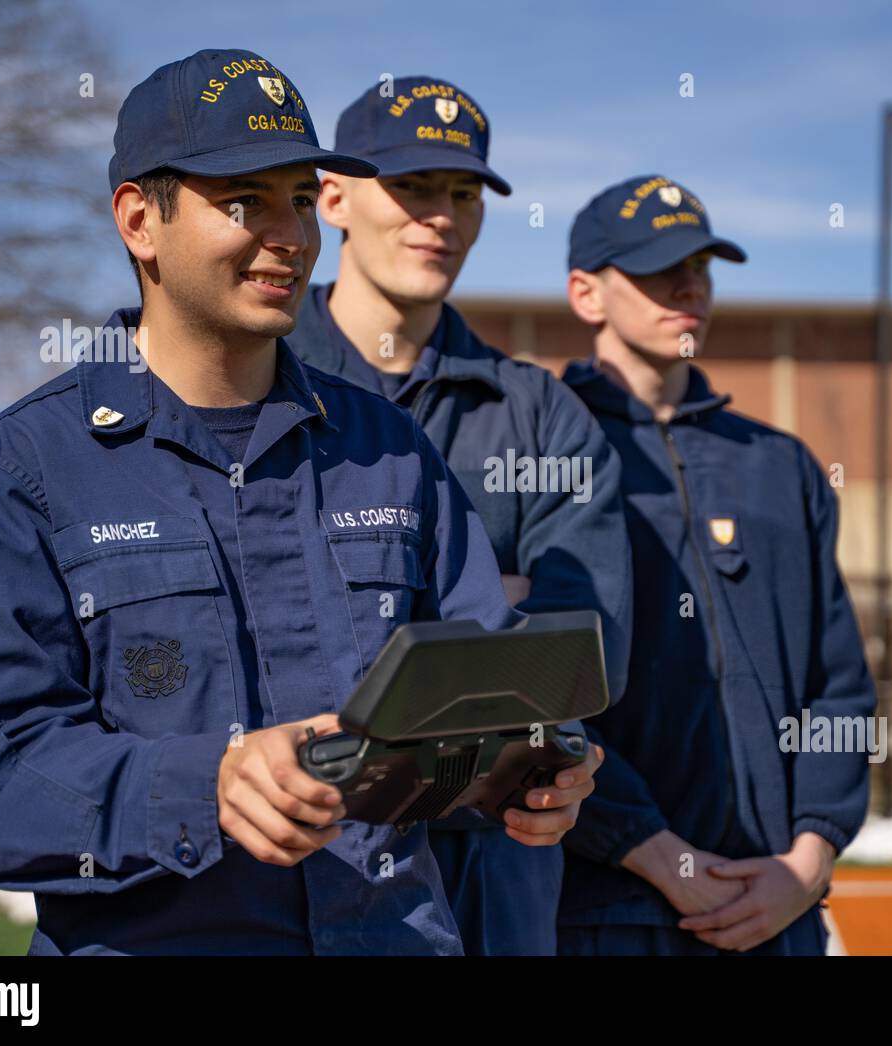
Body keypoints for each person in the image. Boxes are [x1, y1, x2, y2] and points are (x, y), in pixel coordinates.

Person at [0, 49, 598, 956]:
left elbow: (487, 688)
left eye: (297, 196)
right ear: (139, 220)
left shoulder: (392, 451)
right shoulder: (26, 468)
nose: (289, 233)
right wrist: (207, 782)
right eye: (244, 201)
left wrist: (538, 763)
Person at [287, 76, 631, 955]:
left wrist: (398, 623)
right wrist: (484, 616)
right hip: (305, 850)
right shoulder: (263, 385)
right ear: (333, 198)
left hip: (497, 865)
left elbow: (587, 653)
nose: (440, 214)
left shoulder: (541, 412)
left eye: (463, 193)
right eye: (410, 186)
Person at [557, 175, 877, 955]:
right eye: (655, 268)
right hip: (603, 909)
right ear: (586, 294)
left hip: (776, 907)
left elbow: (835, 687)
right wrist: (653, 850)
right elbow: (533, 695)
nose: (687, 286)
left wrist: (808, 860)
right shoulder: (541, 448)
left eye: (700, 265)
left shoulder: (779, 464)